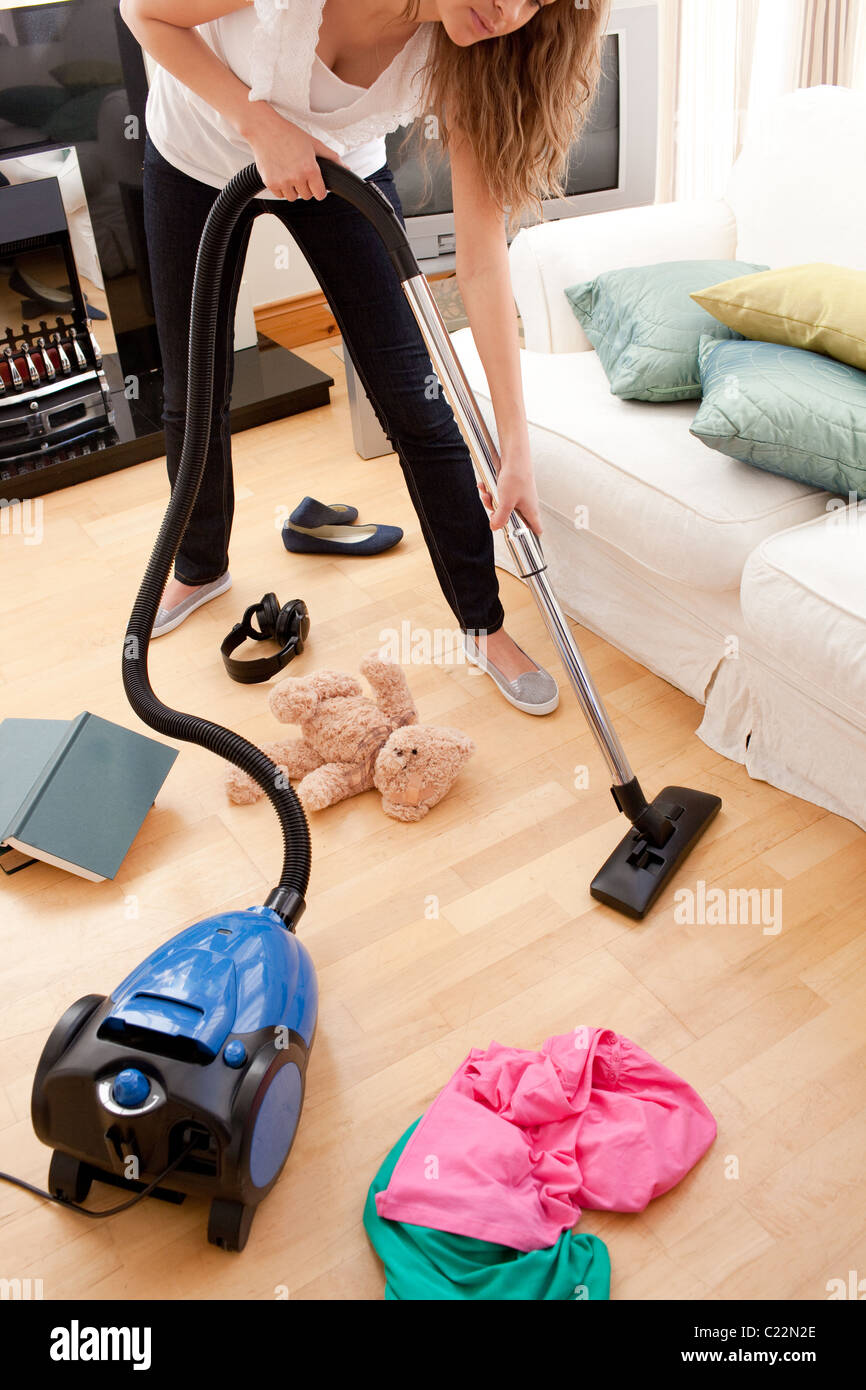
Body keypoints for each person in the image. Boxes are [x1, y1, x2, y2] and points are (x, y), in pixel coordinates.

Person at [121, 0, 607, 714]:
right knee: (194, 390)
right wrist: (260, 124)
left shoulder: (474, 45)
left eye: (536, 0)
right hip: (199, 150)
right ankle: (198, 565)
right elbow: (145, 11)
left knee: (417, 403)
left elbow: (478, 261)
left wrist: (515, 448)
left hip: (333, 169)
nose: (509, 11)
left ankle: (484, 621)